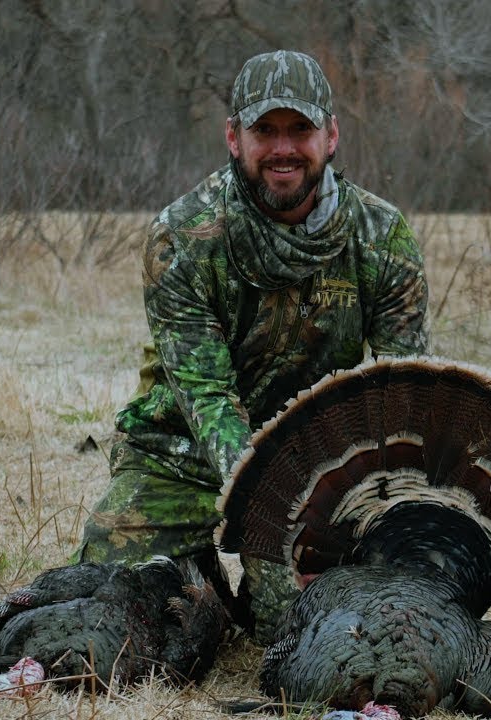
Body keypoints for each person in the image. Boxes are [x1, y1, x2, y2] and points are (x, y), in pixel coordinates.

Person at [75, 50, 429, 642]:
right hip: (185, 449)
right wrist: (272, 521)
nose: (283, 148)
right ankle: (197, 575)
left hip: (324, 464)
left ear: (332, 136)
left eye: (301, 130)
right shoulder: (183, 236)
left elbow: (402, 393)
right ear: (234, 138)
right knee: (110, 601)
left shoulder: (382, 236)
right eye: (265, 130)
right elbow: (208, 400)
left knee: (327, 627)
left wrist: (364, 510)